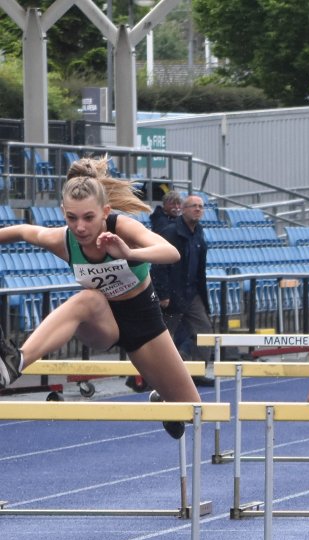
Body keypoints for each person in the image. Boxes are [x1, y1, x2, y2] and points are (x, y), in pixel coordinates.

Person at [0, 158, 194, 438]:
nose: (80, 227)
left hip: (145, 324)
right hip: (104, 325)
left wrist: (129, 253)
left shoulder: (122, 227)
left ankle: (162, 397)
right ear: (63, 212)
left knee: (192, 411)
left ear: (105, 212)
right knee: (88, 299)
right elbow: (21, 231)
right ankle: (15, 362)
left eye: (88, 218)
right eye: (72, 218)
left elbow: (171, 253)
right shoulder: (62, 240)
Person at [157, 194, 214, 383]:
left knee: (204, 331)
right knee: (162, 336)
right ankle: (156, 376)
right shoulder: (170, 232)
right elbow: (158, 265)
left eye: (200, 206)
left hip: (192, 294)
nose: (198, 209)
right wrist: (163, 293)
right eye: (193, 206)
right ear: (183, 209)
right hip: (173, 295)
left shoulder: (199, 232)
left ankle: (196, 372)